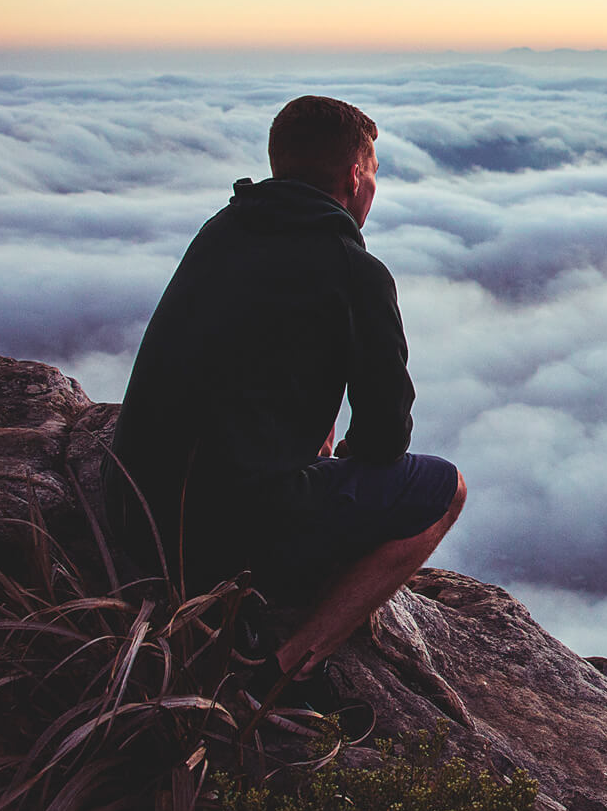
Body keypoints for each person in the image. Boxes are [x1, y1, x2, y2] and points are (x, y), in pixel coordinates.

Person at [110, 95, 465, 703]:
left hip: (133, 513)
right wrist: (343, 457)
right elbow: (386, 437)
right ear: (355, 177)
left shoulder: (221, 230)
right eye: (373, 173)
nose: (372, 187)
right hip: (227, 534)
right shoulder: (354, 271)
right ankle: (283, 669)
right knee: (444, 490)